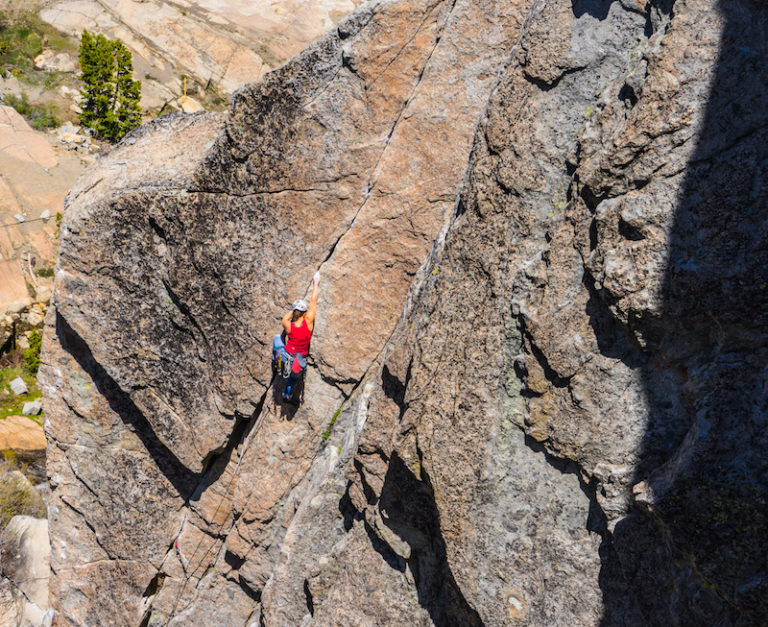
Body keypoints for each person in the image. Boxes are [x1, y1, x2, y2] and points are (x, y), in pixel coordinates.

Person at [272, 271, 321, 401]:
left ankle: (276, 359)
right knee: (293, 380)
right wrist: (316, 282)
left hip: (286, 356)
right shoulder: (309, 321)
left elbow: (285, 318)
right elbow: (314, 301)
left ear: (294, 312)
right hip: (299, 360)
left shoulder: (288, 325)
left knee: (277, 338)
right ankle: (287, 394)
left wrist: (294, 311)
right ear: (304, 313)